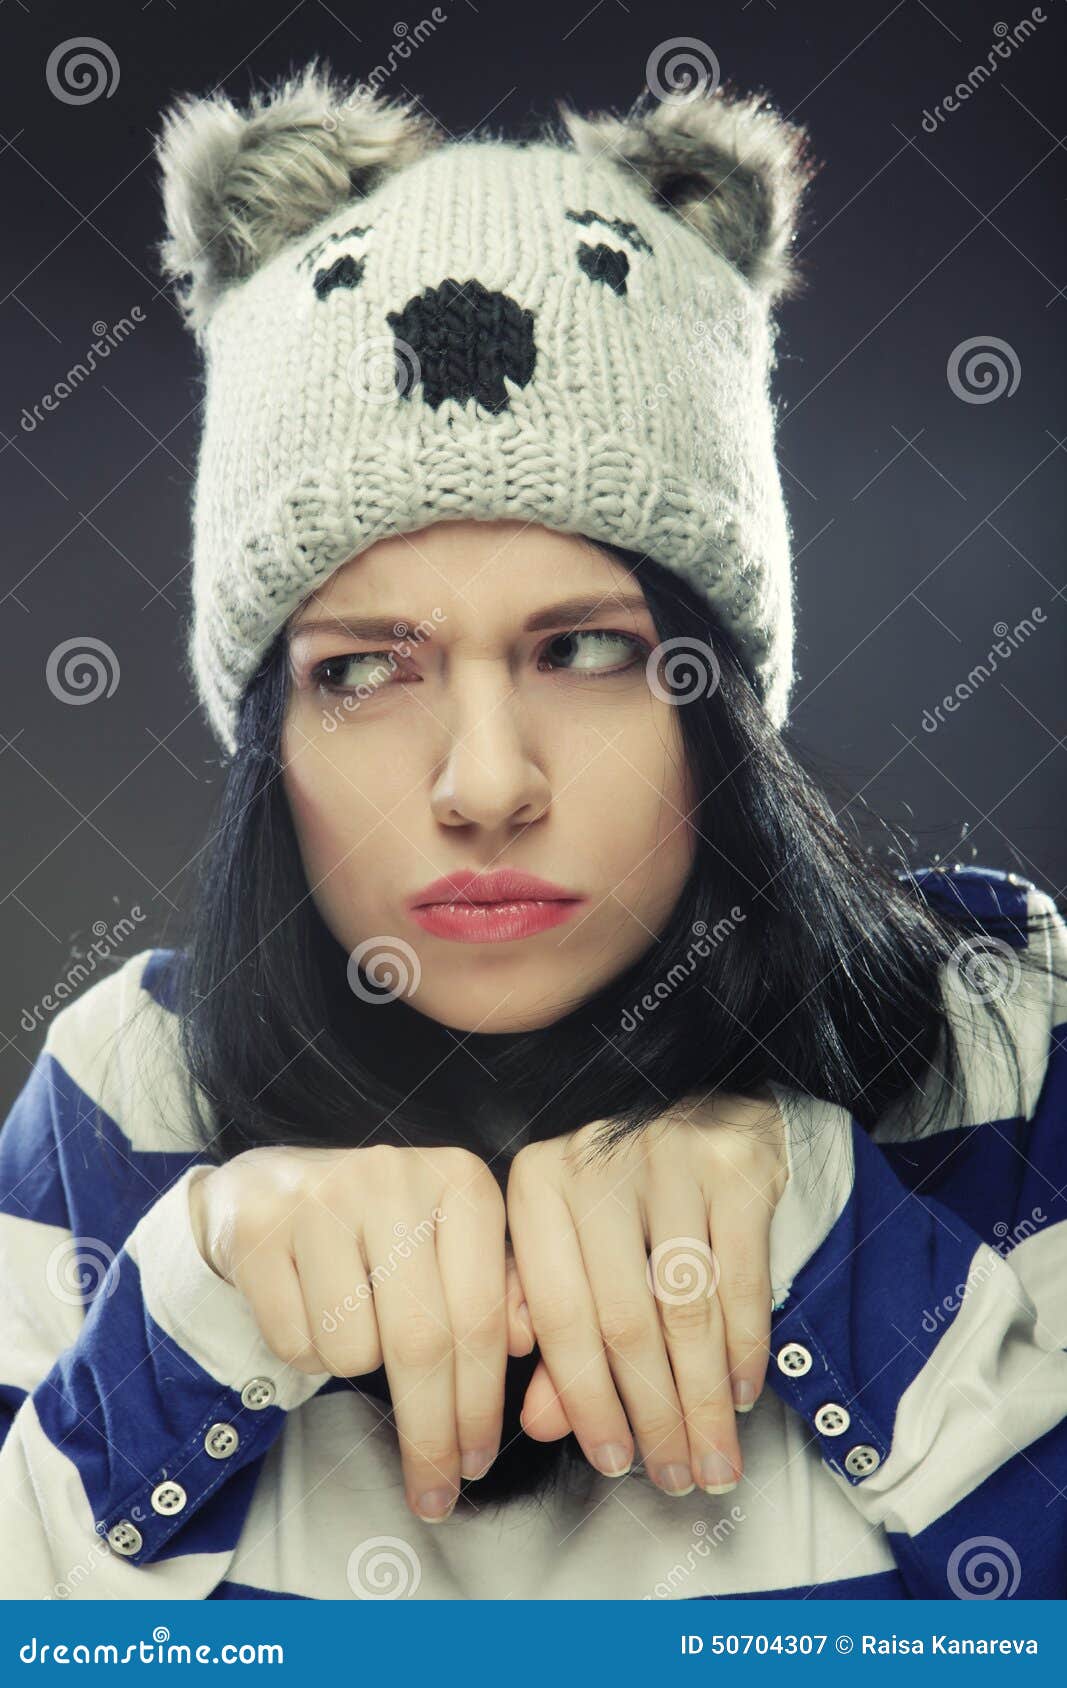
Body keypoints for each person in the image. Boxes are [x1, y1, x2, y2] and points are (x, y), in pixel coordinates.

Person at [1, 63, 1064, 1602]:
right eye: (366, 669)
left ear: (716, 693)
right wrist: (195, 1305)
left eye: (584, 649)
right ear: (272, 734)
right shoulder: (121, 1099)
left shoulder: (1004, 1033)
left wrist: (833, 1241)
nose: (486, 784)